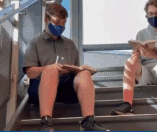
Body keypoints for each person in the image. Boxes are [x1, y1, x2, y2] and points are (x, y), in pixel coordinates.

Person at [23, 3, 109, 131]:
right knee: (51, 70)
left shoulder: (70, 44)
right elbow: (30, 72)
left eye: (63, 23)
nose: (61, 26)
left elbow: (76, 72)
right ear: (46, 20)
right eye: (57, 21)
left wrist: (82, 70)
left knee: (84, 74)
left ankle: (89, 121)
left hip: (65, 89)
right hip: (41, 89)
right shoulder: (34, 43)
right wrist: (50, 68)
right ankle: (46, 123)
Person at [111, 0, 157, 115]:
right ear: (146, 16)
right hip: (145, 73)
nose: (154, 16)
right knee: (129, 61)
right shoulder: (141, 34)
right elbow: (136, 61)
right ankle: (127, 103)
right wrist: (135, 57)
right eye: (150, 14)